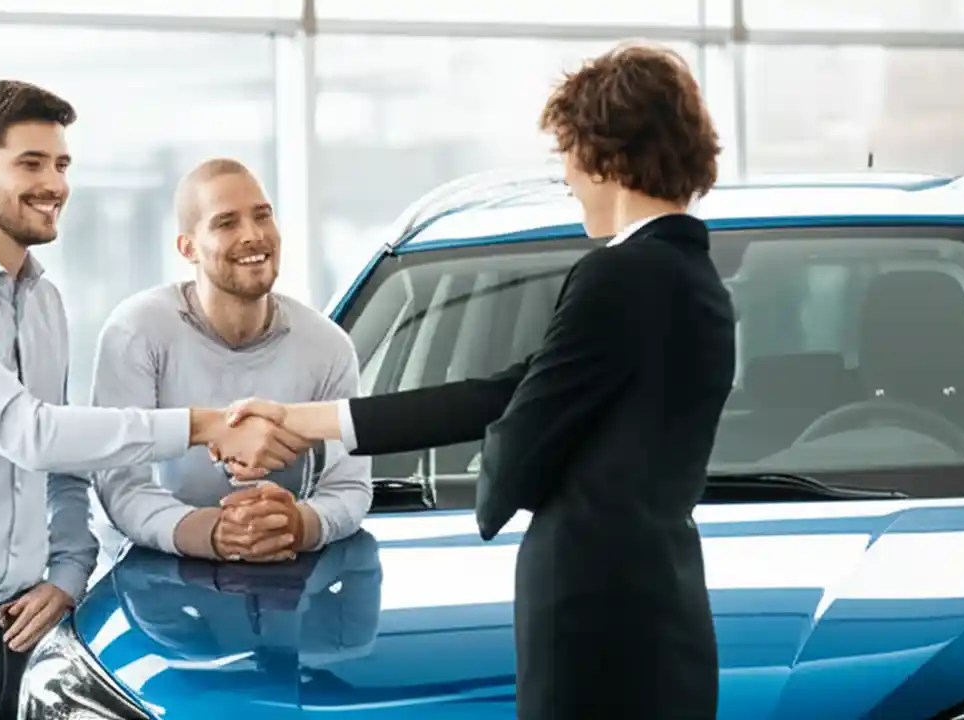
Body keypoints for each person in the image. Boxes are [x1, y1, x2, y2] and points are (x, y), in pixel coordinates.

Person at [221, 43, 734, 719]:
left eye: (570, 154)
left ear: (605, 153)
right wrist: (300, 420)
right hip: (663, 616)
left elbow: (523, 422)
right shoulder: (698, 282)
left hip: (594, 618)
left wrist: (499, 477)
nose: (569, 178)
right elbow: (510, 391)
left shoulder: (618, 276)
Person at [0, 80, 299, 720]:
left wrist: (67, 573)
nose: (54, 184)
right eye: (30, 164)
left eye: (61, 164)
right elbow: (30, 432)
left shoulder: (43, 302)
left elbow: (59, 469)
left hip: (22, 631)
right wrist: (203, 426)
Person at [79, 158, 371, 565]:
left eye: (262, 216)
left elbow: (350, 487)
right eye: (226, 223)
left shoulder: (327, 346)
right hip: (154, 583)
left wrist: (299, 524)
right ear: (188, 248)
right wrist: (213, 533)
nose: (253, 235)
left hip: (291, 575)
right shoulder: (136, 332)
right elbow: (120, 481)